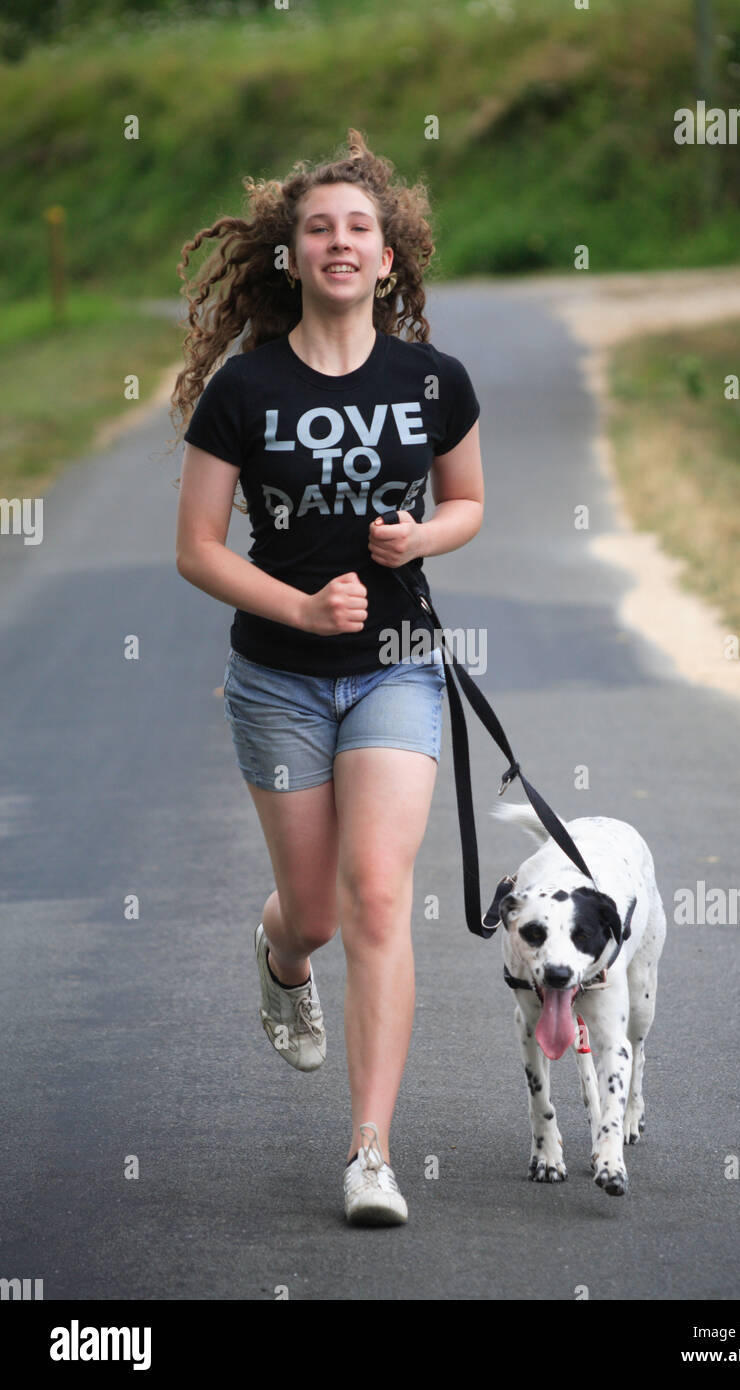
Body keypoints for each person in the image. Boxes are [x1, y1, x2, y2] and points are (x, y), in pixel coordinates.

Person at [171, 128, 483, 1225]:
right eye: (320, 229)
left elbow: (468, 503)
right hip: (278, 680)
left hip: (395, 668)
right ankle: (276, 951)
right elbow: (199, 547)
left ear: (387, 257)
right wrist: (300, 605)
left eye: (360, 228)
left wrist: (423, 541)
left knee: (379, 897)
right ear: (289, 257)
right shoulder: (242, 388)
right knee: (311, 910)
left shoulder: (431, 380)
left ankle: (369, 1154)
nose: (341, 243)